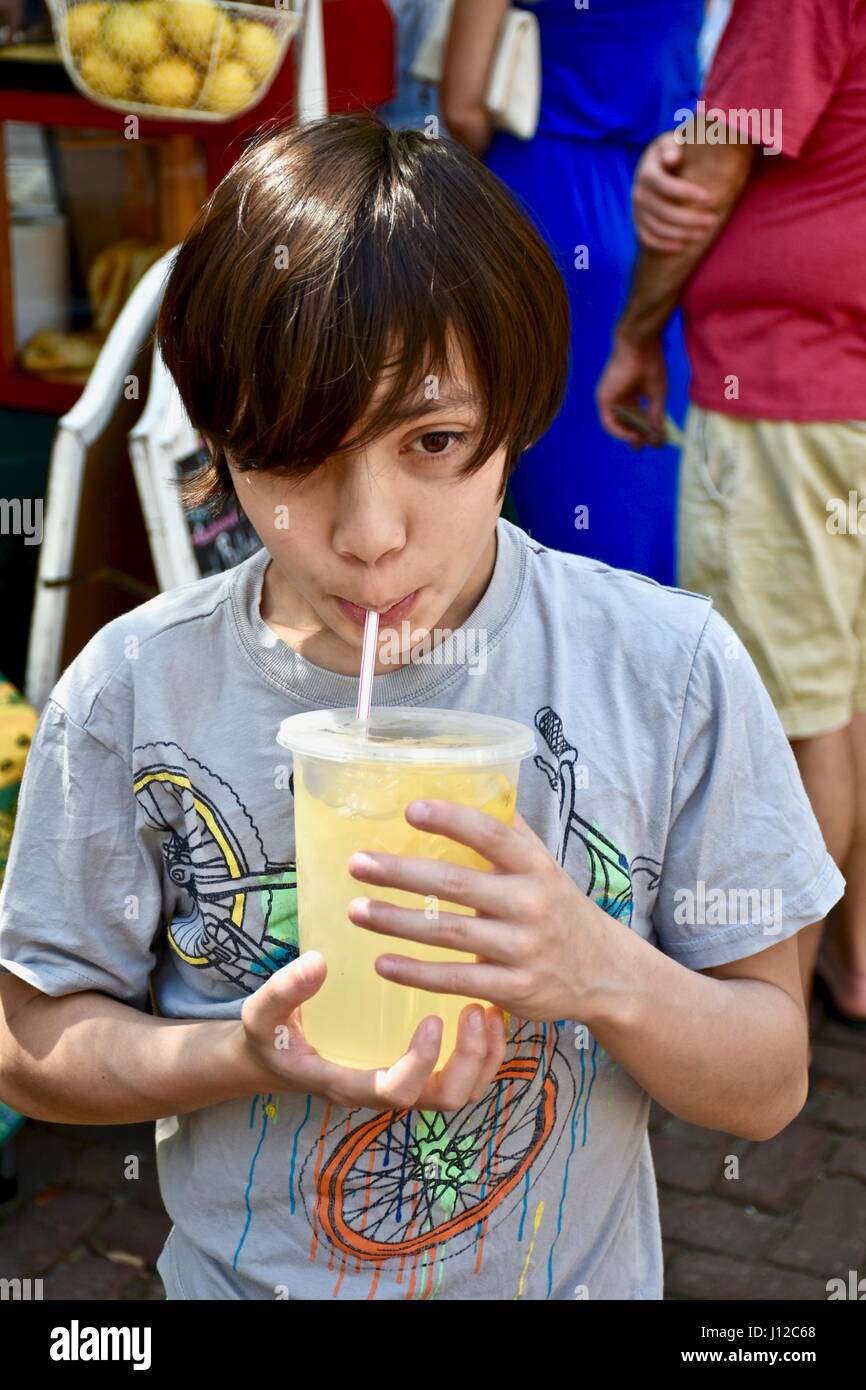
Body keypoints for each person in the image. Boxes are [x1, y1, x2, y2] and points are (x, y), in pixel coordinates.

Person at [0, 114, 843, 1302]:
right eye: (293, 455)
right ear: (216, 439)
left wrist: (593, 964)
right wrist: (233, 1056)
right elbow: (31, 1043)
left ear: (518, 411)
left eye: (434, 439)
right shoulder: (133, 691)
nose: (366, 536)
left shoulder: (667, 671)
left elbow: (765, 1081)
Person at [597, 0, 866, 1027]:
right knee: (838, 693)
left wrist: (634, 334)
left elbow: (706, 178)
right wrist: (696, 135)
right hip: (829, 387)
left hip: (786, 387)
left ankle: (766, 1012)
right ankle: (847, 966)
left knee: (787, 717)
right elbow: (723, 140)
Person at [441, 0, 705, 583]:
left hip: (554, 195)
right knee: (655, 480)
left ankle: (569, 657)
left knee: (569, 483)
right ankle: (658, 652)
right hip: (682, 196)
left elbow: (461, 107)